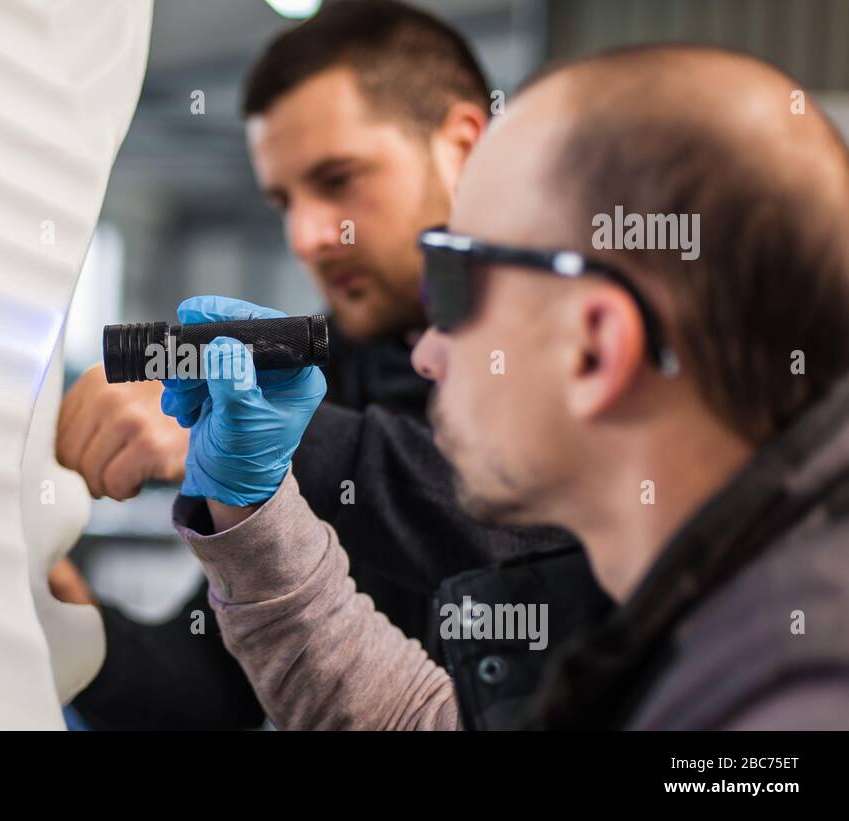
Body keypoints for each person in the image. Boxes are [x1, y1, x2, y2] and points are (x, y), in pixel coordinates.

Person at [165, 43, 849, 729]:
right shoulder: (714, 620)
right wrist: (250, 512)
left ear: (593, 348)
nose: (428, 353)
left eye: (457, 289)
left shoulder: (788, 699)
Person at [53, 0, 601, 730]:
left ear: (462, 146)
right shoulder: (336, 370)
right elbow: (221, 682)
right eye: (284, 199)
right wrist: (72, 626)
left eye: (339, 179)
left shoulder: (582, 337)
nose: (308, 235)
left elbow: (549, 521)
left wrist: (262, 444)